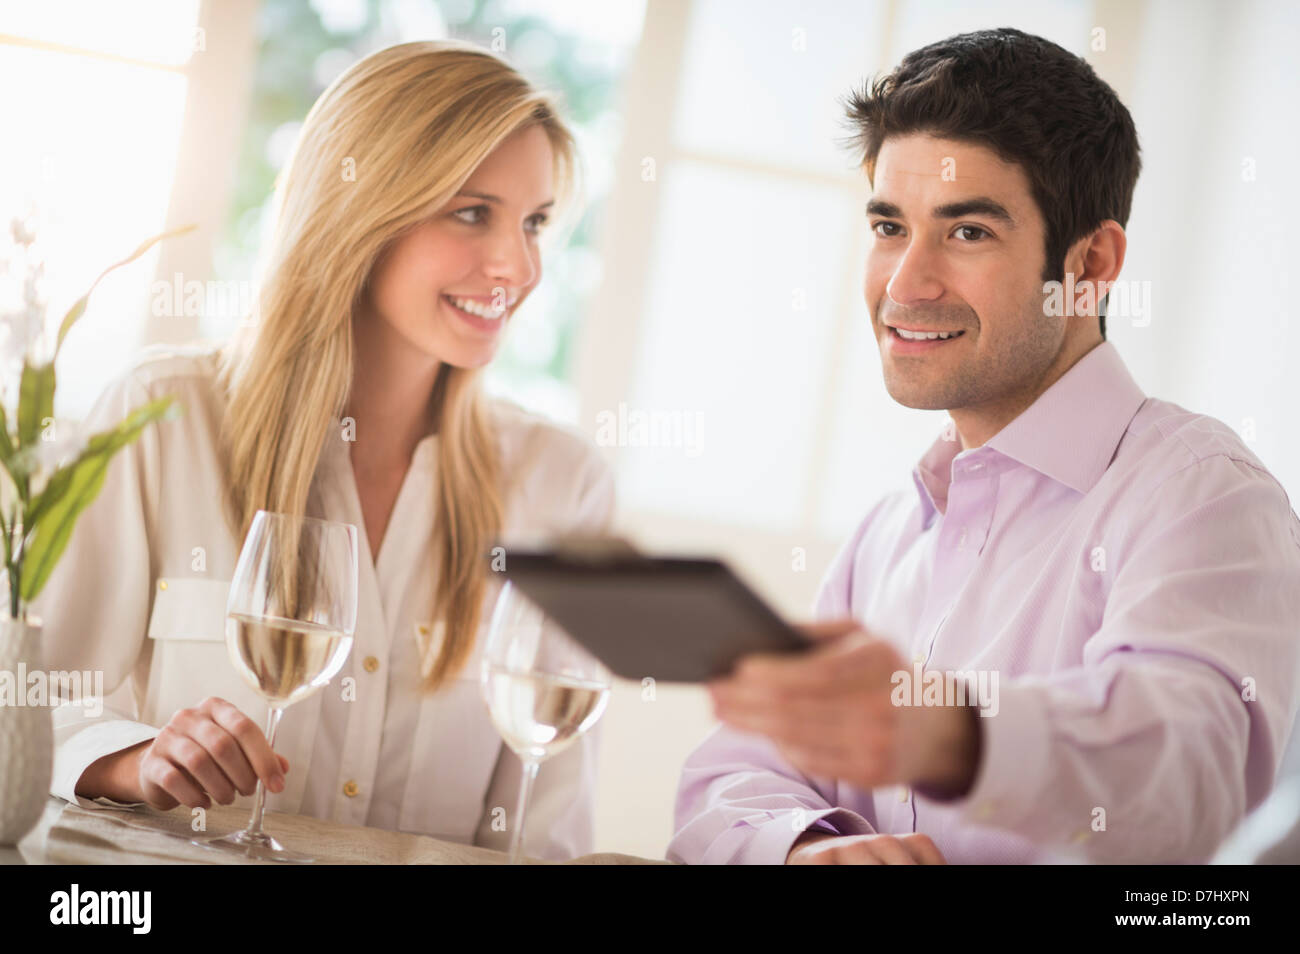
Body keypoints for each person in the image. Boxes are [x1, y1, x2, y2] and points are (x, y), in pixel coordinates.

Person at [668, 27, 1300, 865]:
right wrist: (808, 849)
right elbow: (733, 776)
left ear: (1092, 262)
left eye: (967, 232)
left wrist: (951, 735)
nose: (905, 283)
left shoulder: (1203, 494)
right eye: (891, 225)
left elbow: (1186, 778)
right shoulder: (888, 534)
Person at [35, 40, 614, 861]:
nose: (518, 266)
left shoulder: (562, 485)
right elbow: (25, 706)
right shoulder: (164, 417)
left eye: (535, 222)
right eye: (472, 211)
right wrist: (133, 759)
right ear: (363, 206)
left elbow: (552, 828)